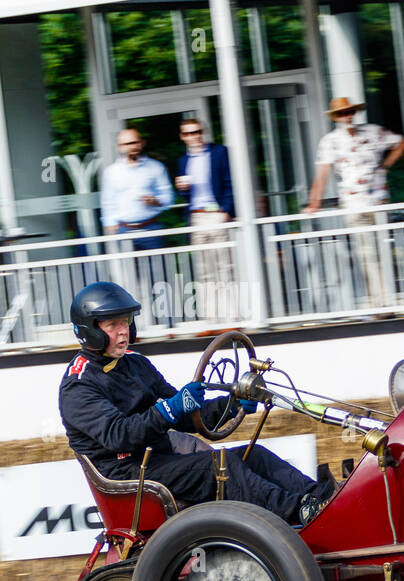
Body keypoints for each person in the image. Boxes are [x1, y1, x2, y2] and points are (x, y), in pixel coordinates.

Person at [58, 282, 333, 525]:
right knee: (221, 467)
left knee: (255, 455)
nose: (123, 332)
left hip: (158, 460)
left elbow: (187, 416)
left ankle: (322, 500)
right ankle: (299, 512)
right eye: (112, 325)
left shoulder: (136, 363)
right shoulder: (78, 385)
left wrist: (232, 404)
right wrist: (170, 408)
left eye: (125, 322)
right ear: (90, 330)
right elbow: (120, 434)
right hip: (128, 477)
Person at [304, 96, 404, 309]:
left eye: (349, 112)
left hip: (378, 200)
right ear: (336, 117)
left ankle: (389, 296)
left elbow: (402, 142)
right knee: (366, 251)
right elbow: (321, 174)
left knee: (384, 249)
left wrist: (385, 165)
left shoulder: (372, 131)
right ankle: (381, 300)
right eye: (342, 114)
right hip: (353, 202)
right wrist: (313, 202)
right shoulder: (330, 141)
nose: (347, 116)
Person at [100, 128, 174, 303]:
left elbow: (168, 198)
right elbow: (107, 201)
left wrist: (155, 201)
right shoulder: (111, 172)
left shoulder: (155, 168)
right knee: (129, 281)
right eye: (126, 144)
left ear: (141, 143)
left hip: (151, 228)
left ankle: (168, 324)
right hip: (124, 230)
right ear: (119, 147)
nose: (131, 147)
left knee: (160, 277)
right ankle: (138, 324)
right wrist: (111, 226)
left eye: (134, 142)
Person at [175, 118, 235, 319]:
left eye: (197, 132)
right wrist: (182, 189)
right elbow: (185, 196)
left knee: (224, 267)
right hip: (197, 217)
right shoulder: (183, 161)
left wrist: (225, 210)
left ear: (203, 132)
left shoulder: (219, 152)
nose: (195, 136)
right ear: (183, 137)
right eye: (189, 133)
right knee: (204, 271)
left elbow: (230, 182)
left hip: (216, 214)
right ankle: (212, 317)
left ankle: (231, 315)